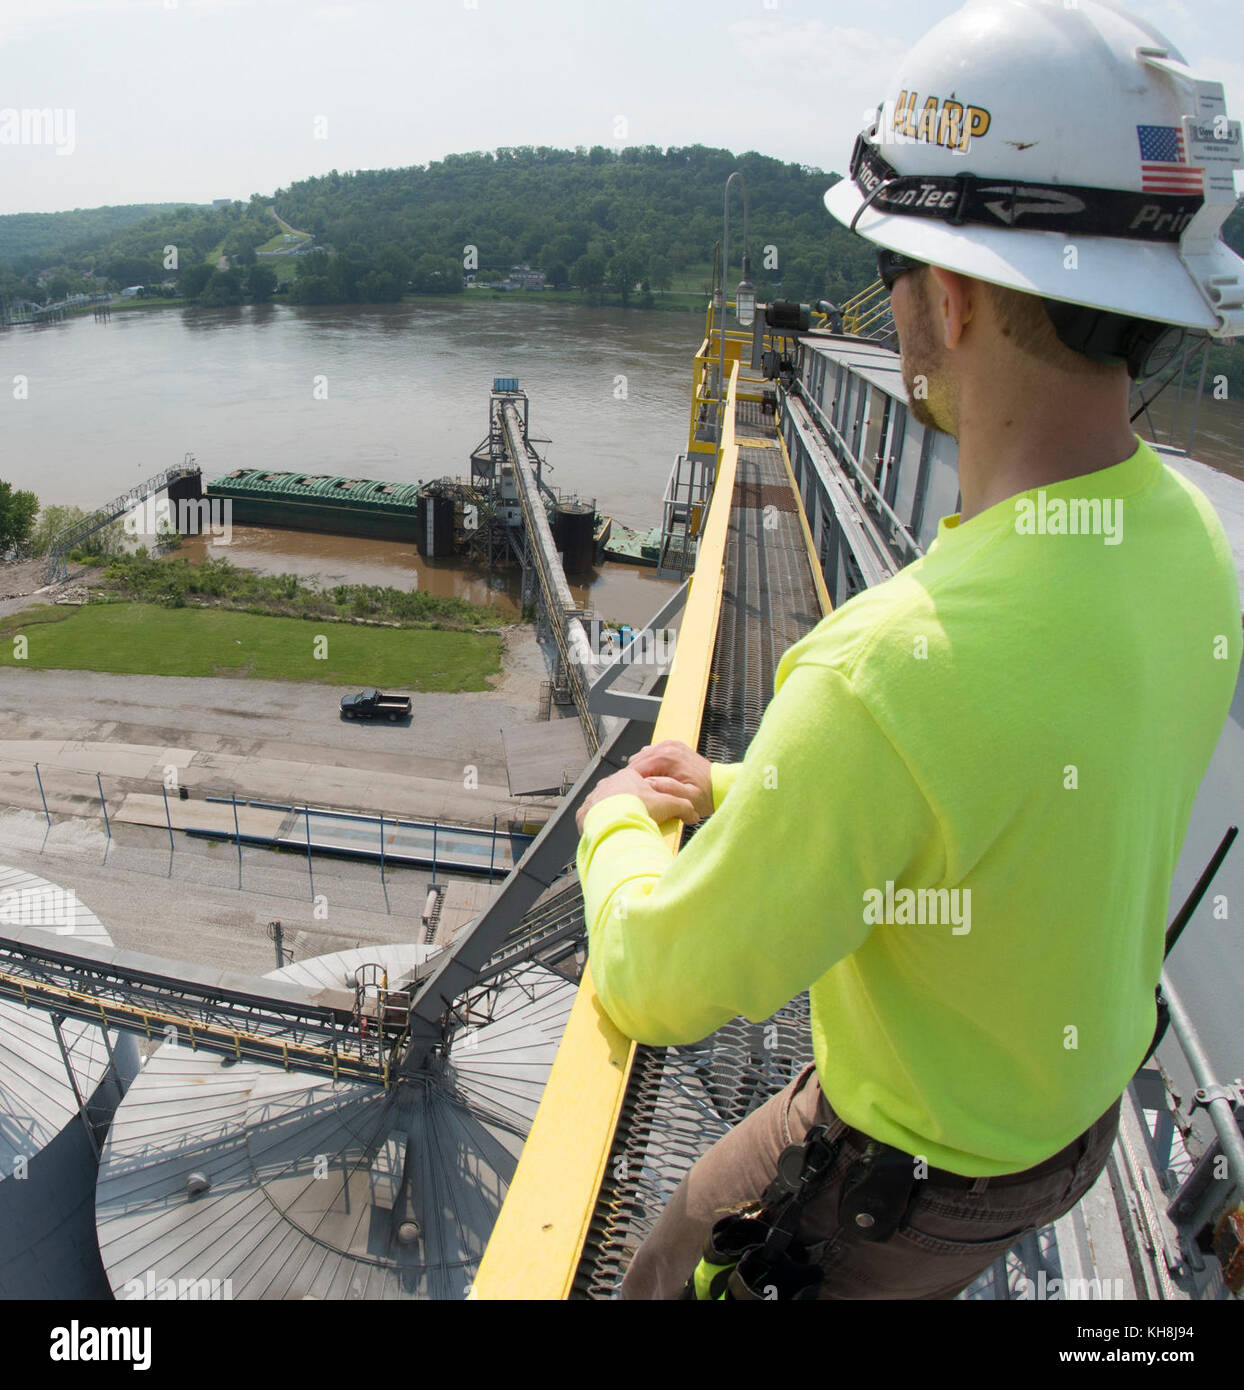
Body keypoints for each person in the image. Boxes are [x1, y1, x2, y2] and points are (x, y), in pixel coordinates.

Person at [573, 0, 1244, 1300]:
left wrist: (617, 822)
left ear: (945, 294)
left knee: (676, 1258)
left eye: (888, 265)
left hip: (914, 1170)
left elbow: (658, 978)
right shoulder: (1191, 547)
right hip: (1070, 1125)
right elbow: (1018, 791)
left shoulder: (879, 675)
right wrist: (756, 794)